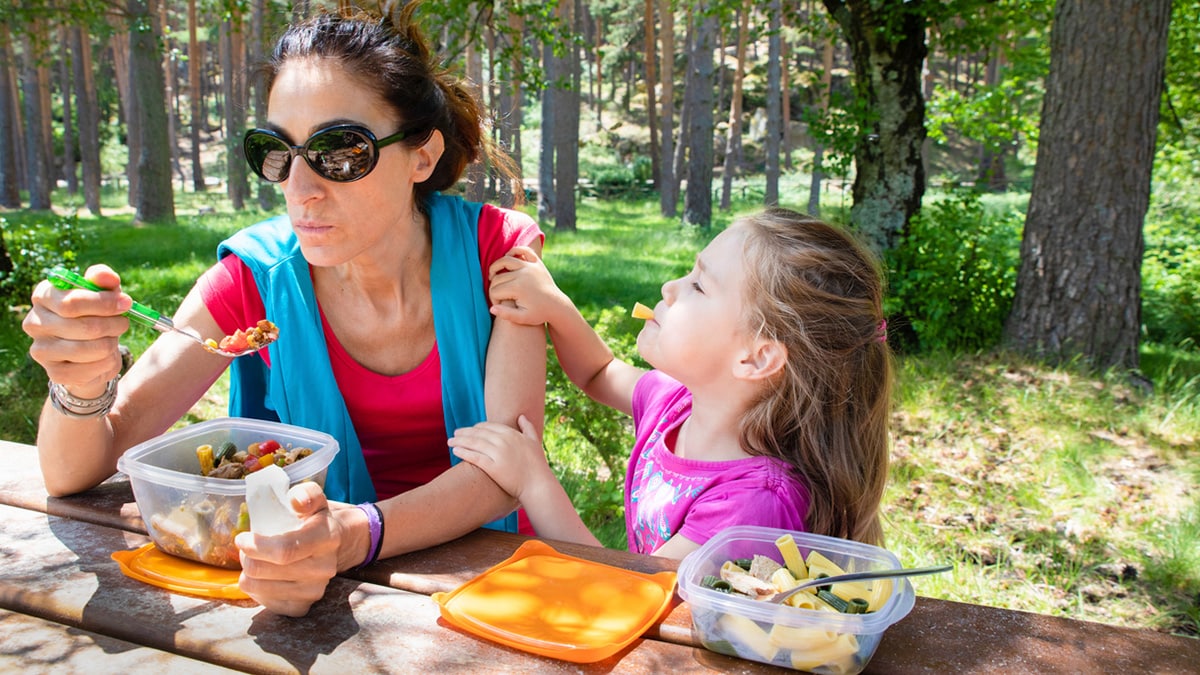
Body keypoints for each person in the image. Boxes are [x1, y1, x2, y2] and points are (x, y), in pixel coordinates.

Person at [22, 4, 545, 616]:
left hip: (486, 574)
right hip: (307, 576)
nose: (300, 188)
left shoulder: (498, 256)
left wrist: (355, 534)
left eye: (341, 151)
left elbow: (505, 471)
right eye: (277, 152)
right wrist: (79, 386)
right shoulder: (252, 278)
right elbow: (75, 472)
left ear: (421, 157)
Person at [449, 208, 892, 559]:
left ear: (756, 357)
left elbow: (633, 593)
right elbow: (599, 373)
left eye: (699, 286)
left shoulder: (754, 504)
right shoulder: (677, 404)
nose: (669, 287)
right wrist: (557, 309)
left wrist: (535, 483)